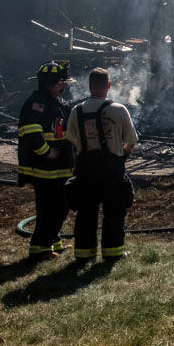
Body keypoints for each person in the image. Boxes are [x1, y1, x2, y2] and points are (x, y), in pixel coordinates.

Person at [64, 67, 138, 261]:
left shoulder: (76, 111)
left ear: (90, 86)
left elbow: (71, 139)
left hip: (85, 170)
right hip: (112, 170)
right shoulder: (118, 110)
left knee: (86, 212)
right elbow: (131, 140)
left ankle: (84, 254)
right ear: (109, 86)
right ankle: (113, 253)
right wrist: (122, 157)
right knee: (114, 212)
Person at [17, 61, 75, 259]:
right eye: (61, 83)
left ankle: (53, 240)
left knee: (58, 206)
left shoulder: (58, 104)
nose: (64, 87)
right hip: (44, 168)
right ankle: (40, 247)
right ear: (49, 84)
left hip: (59, 169)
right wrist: (47, 152)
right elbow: (31, 135)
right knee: (53, 207)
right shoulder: (37, 105)